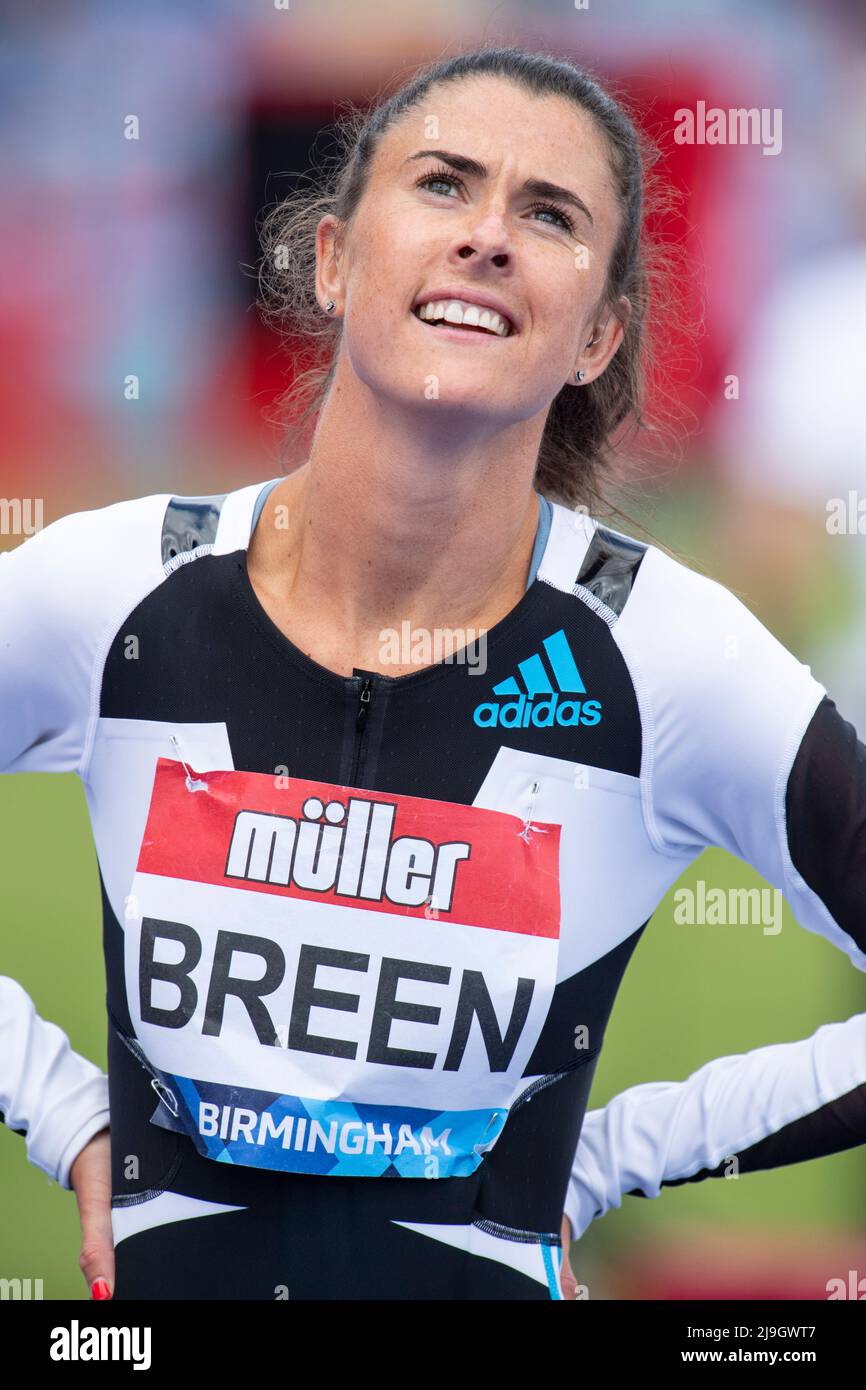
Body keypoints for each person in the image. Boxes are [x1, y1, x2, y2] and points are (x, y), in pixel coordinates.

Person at [2, 45, 865, 1301]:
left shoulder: (667, 654)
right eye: (444, 184)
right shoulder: (115, 583)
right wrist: (58, 1107)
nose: (488, 238)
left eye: (549, 214)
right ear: (334, 260)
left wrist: (611, 1155)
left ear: (597, 337)